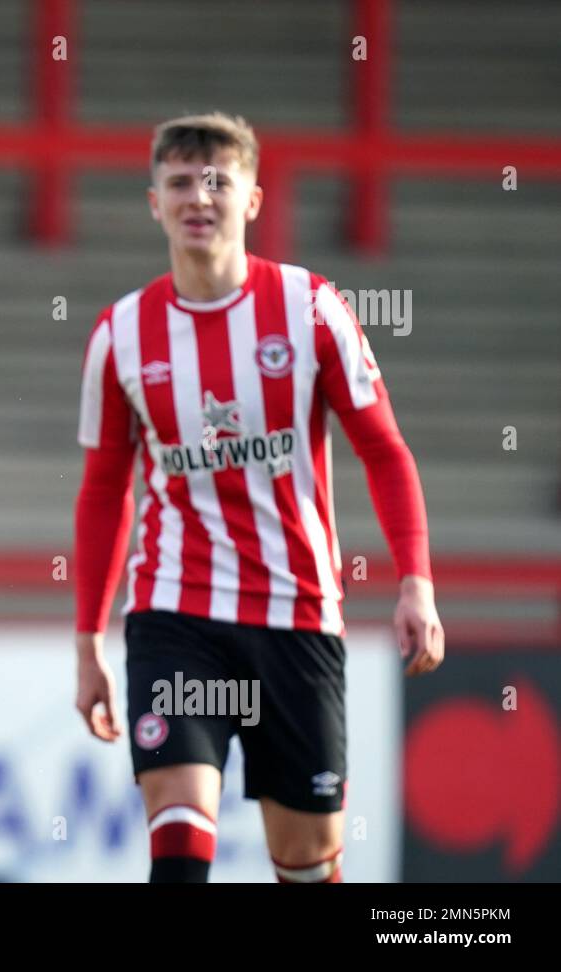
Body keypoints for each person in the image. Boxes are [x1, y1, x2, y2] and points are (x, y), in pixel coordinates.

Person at [72, 112, 444, 883]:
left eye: (218, 181)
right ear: (154, 201)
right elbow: (104, 490)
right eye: (180, 182)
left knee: (306, 867)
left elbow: (384, 449)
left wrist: (416, 581)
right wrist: (88, 641)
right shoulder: (122, 333)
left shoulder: (311, 310)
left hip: (296, 613)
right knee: (178, 843)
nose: (198, 197)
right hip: (176, 613)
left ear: (253, 199)